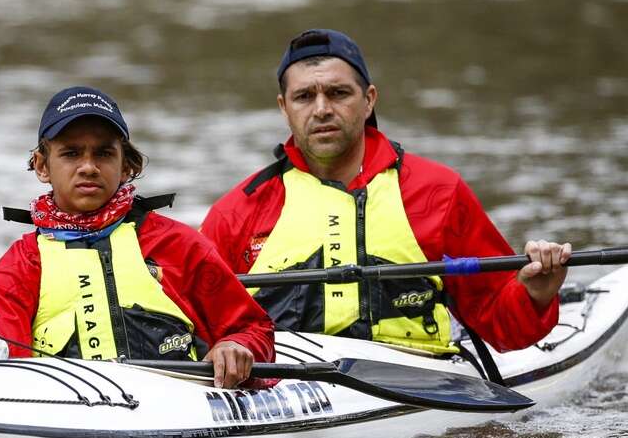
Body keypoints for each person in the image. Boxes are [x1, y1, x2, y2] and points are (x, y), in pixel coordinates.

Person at [200, 29, 570, 357]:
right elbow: (194, 330)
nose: (322, 109)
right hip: (290, 389)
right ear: (284, 108)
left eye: (338, 93)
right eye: (304, 97)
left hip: (423, 382)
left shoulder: (437, 192)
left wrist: (535, 293)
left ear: (369, 100)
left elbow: (504, 329)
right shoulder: (237, 212)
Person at [0, 86, 275, 388]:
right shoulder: (16, 270)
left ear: (126, 167)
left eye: (104, 153)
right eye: (71, 153)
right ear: (42, 166)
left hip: (177, 411)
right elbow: (5, 379)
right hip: (66, 420)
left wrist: (238, 346)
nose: (88, 167)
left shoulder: (180, 246)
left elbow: (254, 329)